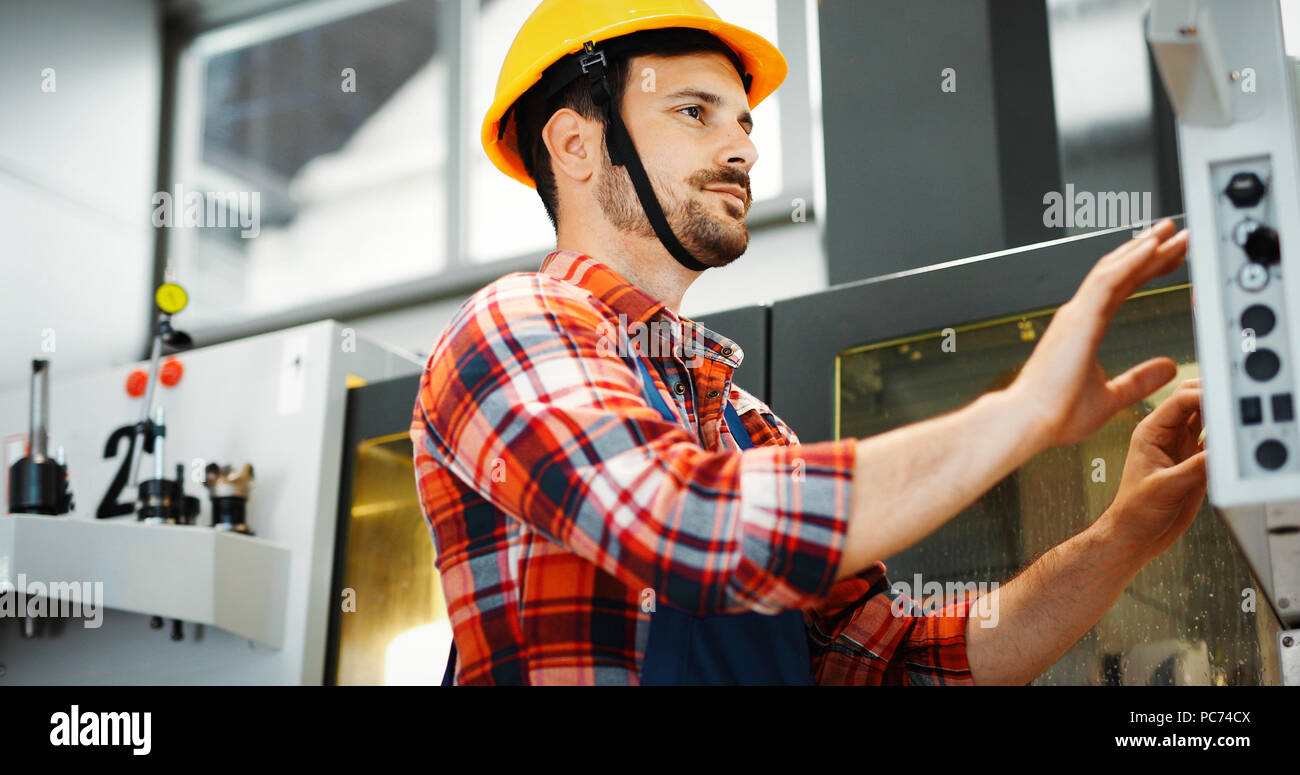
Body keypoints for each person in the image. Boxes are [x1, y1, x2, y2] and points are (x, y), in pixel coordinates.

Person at [409, 0, 1204, 685]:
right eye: (695, 112)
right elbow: (683, 523)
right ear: (577, 145)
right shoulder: (512, 324)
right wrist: (1020, 416)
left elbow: (896, 664)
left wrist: (1120, 538)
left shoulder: (751, 428)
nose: (744, 150)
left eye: (744, 123)